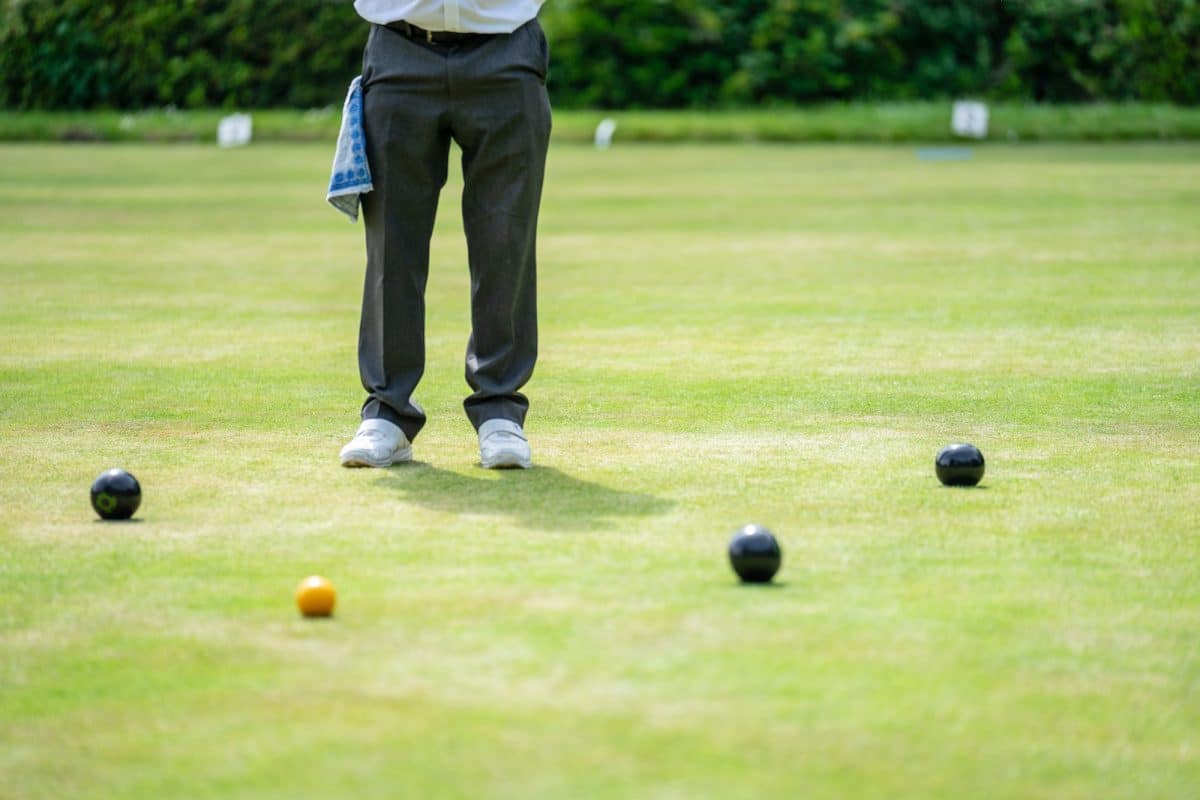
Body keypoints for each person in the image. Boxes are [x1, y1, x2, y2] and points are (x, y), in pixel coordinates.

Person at [339, 0, 551, 470]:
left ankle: (500, 411)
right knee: (392, 246)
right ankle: (387, 413)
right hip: (398, 48)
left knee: (505, 242)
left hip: (507, 48)